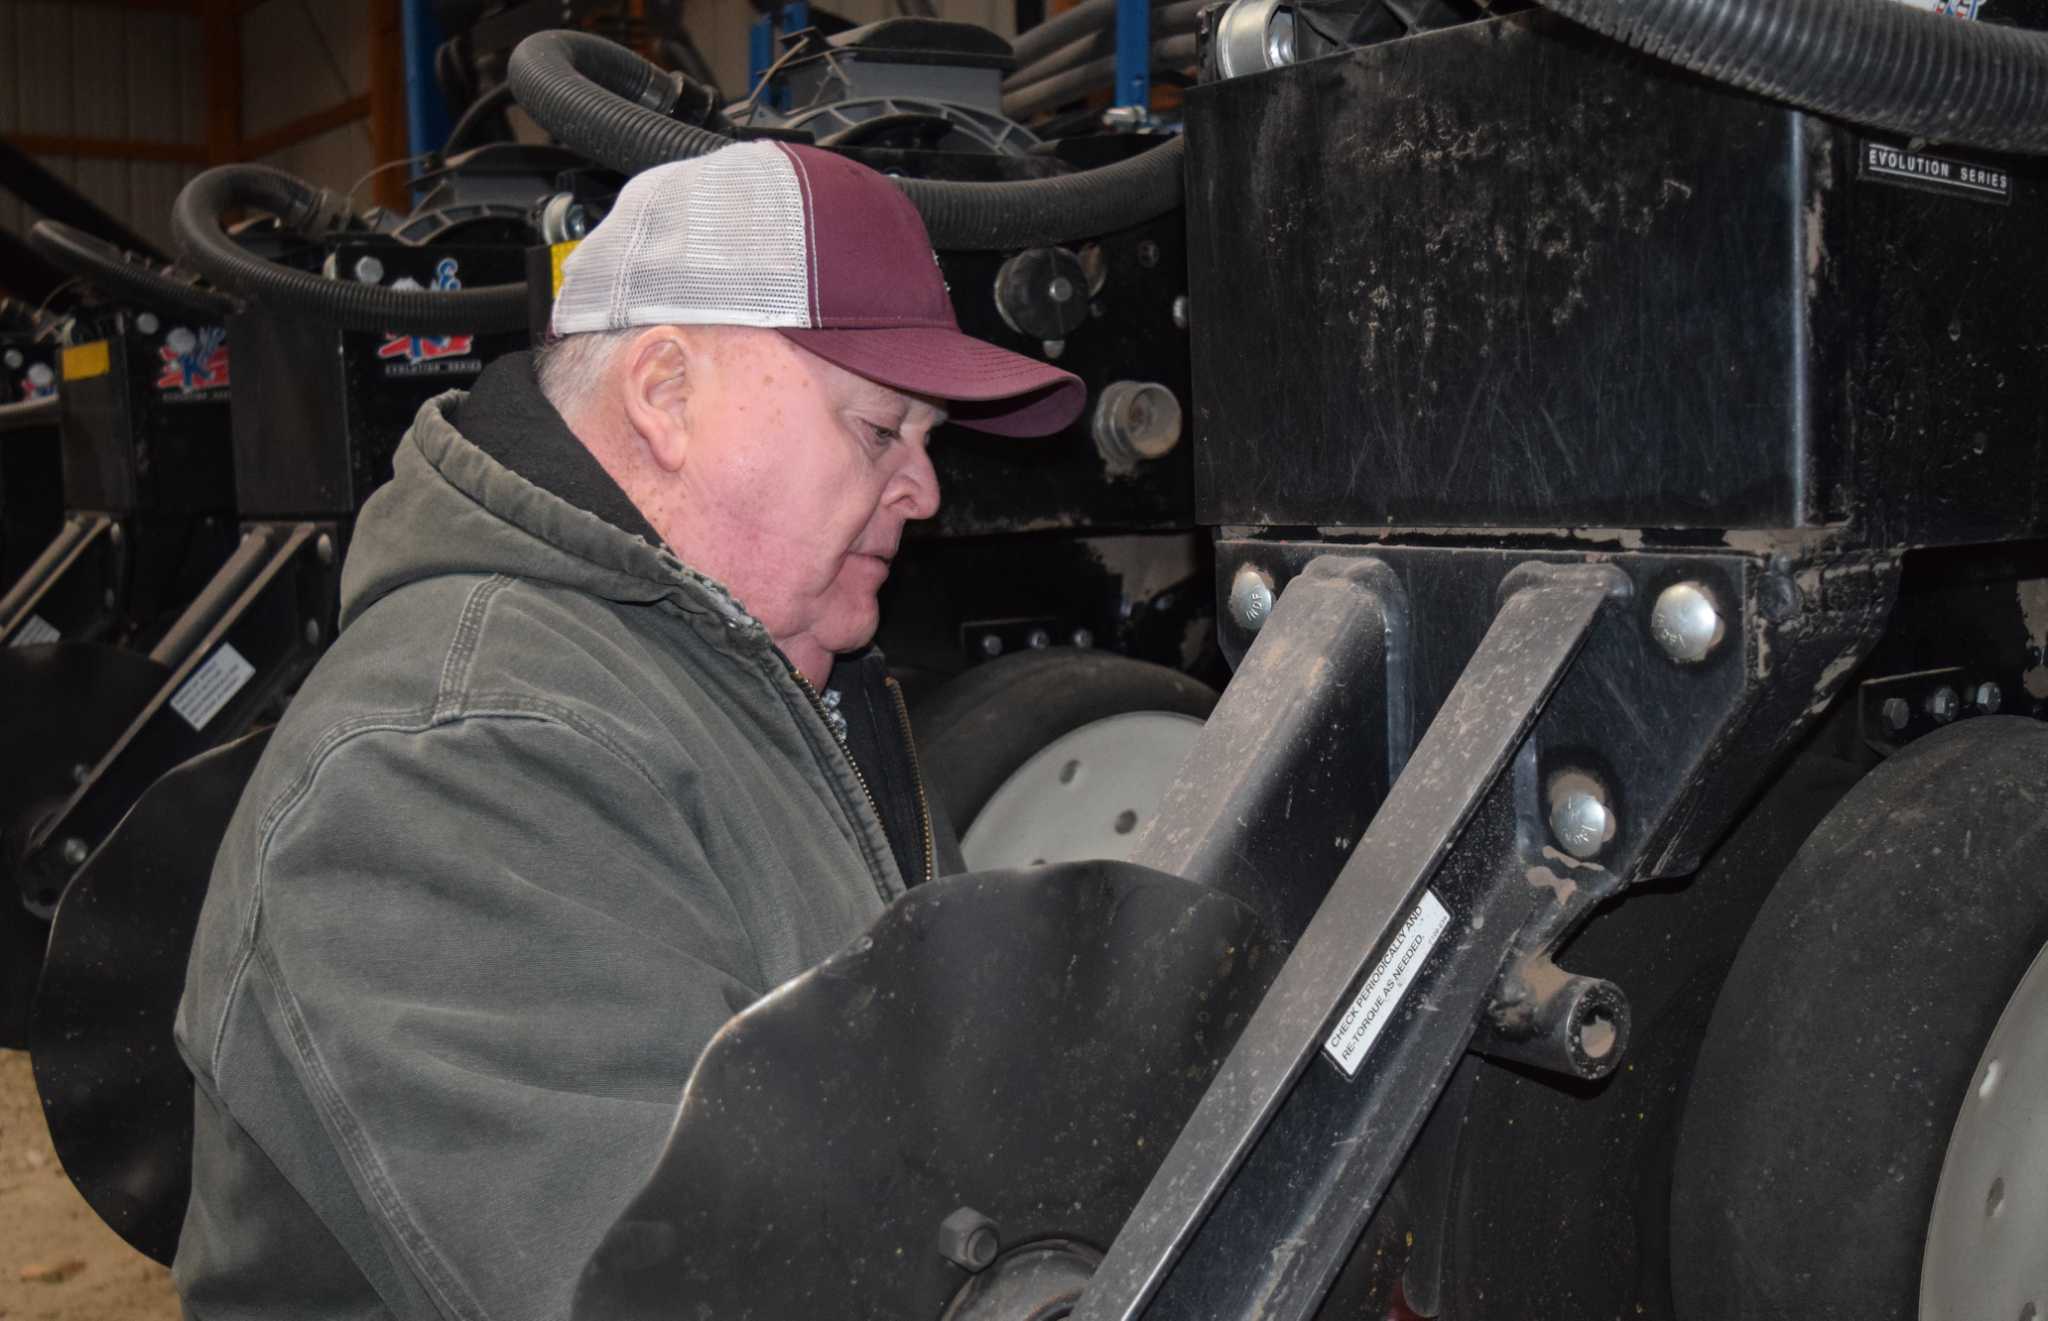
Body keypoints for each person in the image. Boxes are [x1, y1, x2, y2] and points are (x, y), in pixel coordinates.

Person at [171, 141, 1083, 1320]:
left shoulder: (770, 687)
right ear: (664, 394)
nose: (925, 490)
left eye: (927, 443)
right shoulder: (454, 756)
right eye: (879, 431)